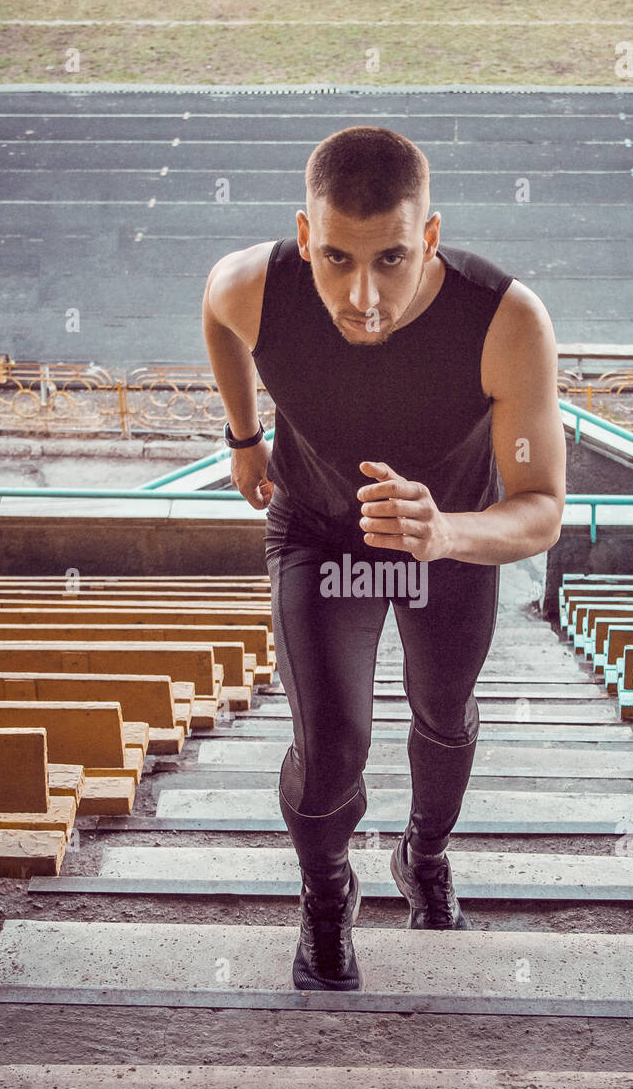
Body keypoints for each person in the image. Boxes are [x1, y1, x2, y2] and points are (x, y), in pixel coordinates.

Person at [202, 126, 566, 991]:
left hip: (450, 541)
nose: (362, 296)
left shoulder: (505, 320)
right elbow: (216, 314)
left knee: (443, 714)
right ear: (303, 236)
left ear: (430, 238)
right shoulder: (253, 286)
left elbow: (543, 508)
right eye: (335, 259)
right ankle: (327, 895)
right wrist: (244, 436)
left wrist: (445, 534)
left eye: (392, 260)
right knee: (330, 745)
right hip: (320, 535)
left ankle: (424, 853)